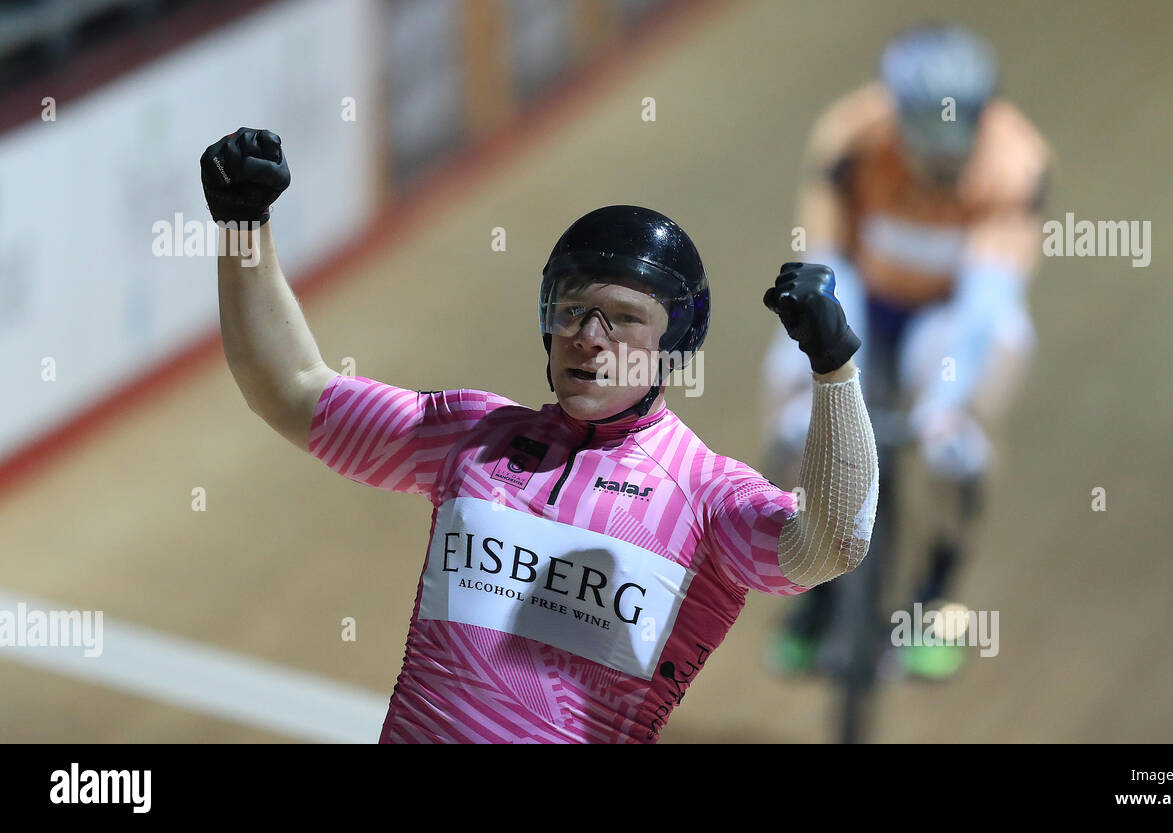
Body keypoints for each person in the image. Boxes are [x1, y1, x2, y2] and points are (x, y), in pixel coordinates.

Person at [202, 127, 878, 743]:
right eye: (573, 307)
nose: (588, 336)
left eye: (622, 318)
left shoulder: (702, 494)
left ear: (675, 343)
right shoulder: (472, 434)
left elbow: (832, 542)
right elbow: (287, 386)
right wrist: (242, 227)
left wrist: (834, 368)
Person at [762, 23, 1051, 679]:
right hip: (862, 291)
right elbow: (826, 261)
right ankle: (807, 582)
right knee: (790, 401)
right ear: (895, 114)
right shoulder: (851, 137)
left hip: (950, 312)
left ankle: (937, 595)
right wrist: (826, 363)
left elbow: (985, 306)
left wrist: (947, 406)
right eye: (929, 147)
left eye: (957, 151)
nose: (943, 166)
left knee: (962, 435)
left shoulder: (1016, 161)